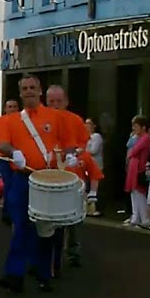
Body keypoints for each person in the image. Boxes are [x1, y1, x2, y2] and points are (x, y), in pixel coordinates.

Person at [0, 75, 73, 294]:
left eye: (32, 87)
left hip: (47, 179)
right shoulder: (11, 120)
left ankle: (43, 274)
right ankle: (14, 274)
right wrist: (14, 152)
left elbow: (68, 142)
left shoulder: (55, 117)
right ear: (20, 93)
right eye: (24, 88)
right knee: (22, 225)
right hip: (22, 178)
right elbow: (2, 143)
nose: (29, 91)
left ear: (40, 91)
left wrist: (69, 156)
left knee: (46, 228)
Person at [44, 85, 95, 270]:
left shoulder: (75, 120)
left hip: (72, 175)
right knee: (48, 218)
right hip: (49, 175)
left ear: (66, 101)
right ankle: (47, 254)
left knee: (74, 217)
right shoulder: (41, 120)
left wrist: (76, 153)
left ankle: (73, 252)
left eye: (59, 101)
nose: (55, 105)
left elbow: (83, 143)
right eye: (51, 101)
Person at [124, 117, 150, 228]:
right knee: (133, 192)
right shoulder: (138, 137)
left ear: (143, 127)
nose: (133, 128)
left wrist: (131, 152)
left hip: (139, 167)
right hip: (134, 166)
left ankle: (144, 217)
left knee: (139, 192)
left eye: (135, 126)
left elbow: (134, 151)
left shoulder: (145, 138)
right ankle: (136, 216)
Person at [84, 117, 103, 215]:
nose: (86, 126)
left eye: (89, 124)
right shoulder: (84, 136)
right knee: (86, 187)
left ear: (94, 125)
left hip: (95, 165)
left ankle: (96, 209)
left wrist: (83, 150)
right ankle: (88, 208)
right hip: (85, 166)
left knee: (94, 188)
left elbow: (93, 150)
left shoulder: (96, 136)